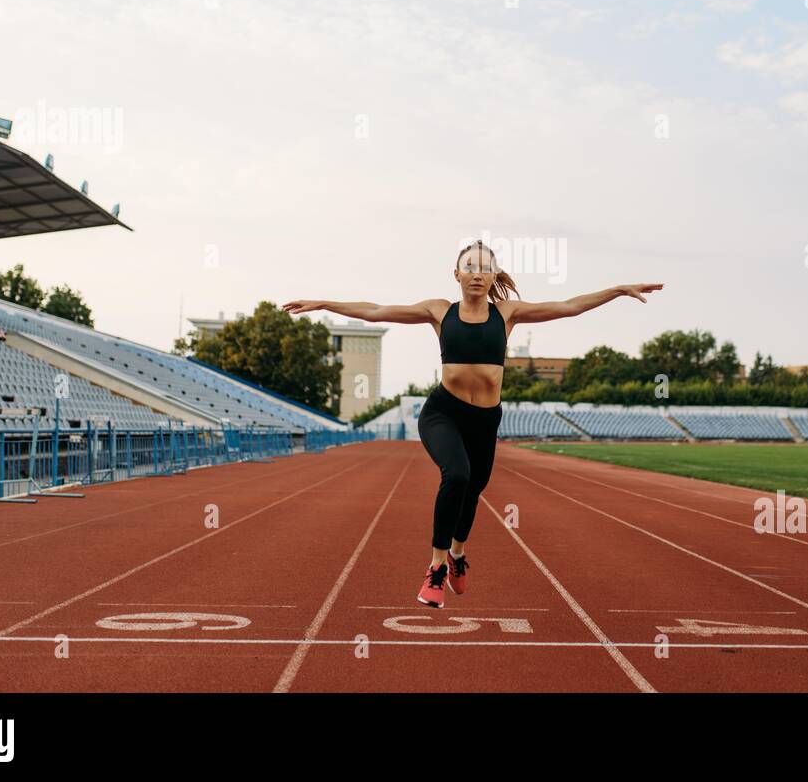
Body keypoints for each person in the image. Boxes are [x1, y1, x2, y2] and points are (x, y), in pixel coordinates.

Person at [283, 240, 662, 608]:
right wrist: (323, 302)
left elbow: (568, 306)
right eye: (470, 267)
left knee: (473, 489)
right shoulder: (438, 311)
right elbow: (377, 310)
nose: (477, 274)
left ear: (493, 273)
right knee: (458, 475)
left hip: (485, 420)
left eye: (484, 267)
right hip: (443, 413)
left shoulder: (507, 313)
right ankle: (435, 570)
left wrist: (617, 290)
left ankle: (457, 554)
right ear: (457, 274)